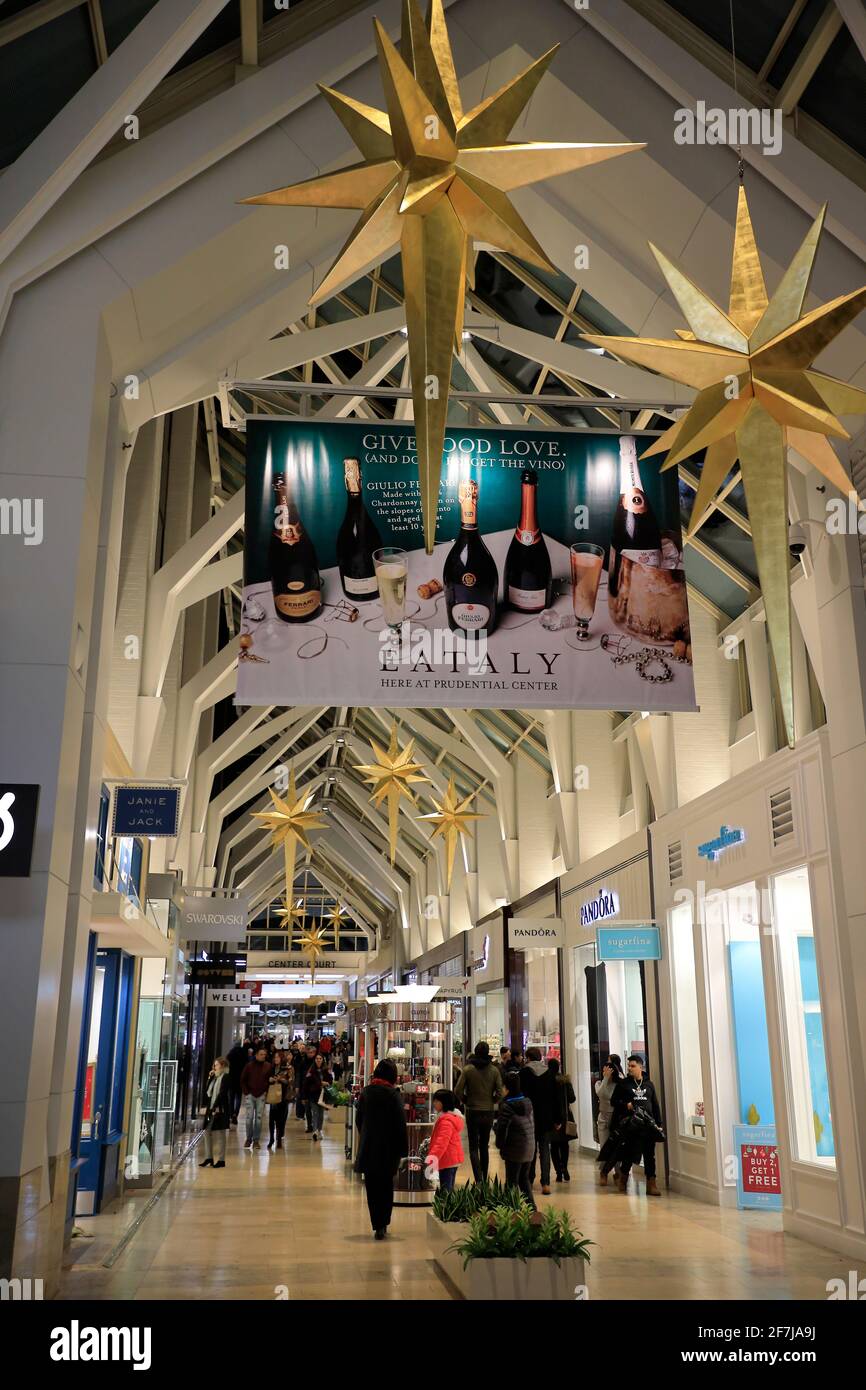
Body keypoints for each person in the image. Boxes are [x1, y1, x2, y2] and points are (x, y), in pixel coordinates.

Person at [354, 1059, 409, 1239]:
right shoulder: (393, 1095)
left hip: (369, 1146)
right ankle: (383, 1223)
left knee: (372, 1187)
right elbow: (400, 1124)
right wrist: (403, 1150)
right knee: (386, 1186)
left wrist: (366, 1134)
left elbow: (359, 1119)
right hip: (388, 1148)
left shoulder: (366, 1092)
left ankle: (376, 1222)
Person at [606, 1054, 664, 1196]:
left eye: (633, 1066)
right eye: (628, 1066)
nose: (630, 1069)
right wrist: (626, 1105)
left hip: (648, 1126)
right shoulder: (624, 1084)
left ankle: (651, 1184)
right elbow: (614, 1101)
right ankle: (623, 1180)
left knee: (650, 1156)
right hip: (631, 1125)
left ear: (640, 1067)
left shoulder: (649, 1084)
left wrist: (659, 1123)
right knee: (629, 1154)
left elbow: (655, 1105)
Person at [454, 1041, 504, 1183]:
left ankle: (478, 1179)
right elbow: (500, 1092)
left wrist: (465, 1100)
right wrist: (493, 1100)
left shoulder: (468, 1069)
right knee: (484, 1145)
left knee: (473, 1147)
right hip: (487, 1111)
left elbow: (458, 1090)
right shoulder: (494, 1070)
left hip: (472, 1110)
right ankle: (485, 1175)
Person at [494, 1073, 536, 1208]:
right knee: (524, 1180)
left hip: (515, 1149)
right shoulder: (527, 1102)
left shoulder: (507, 1106)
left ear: (506, 1088)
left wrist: (500, 1145)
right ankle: (532, 1208)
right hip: (529, 1146)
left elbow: (502, 1129)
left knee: (511, 1182)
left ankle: (510, 1211)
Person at [520, 1047, 552, 1193]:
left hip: (529, 1116)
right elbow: (555, 1097)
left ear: (528, 1058)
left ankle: (529, 1180)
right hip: (545, 1116)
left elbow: (521, 1095)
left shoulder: (524, 1073)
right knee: (545, 1149)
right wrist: (557, 1118)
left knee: (531, 1149)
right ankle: (546, 1183)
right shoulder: (549, 1073)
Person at [427, 1089, 464, 1191]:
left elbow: (441, 1143)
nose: (434, 1103)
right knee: (448, 1189)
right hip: (451, 1159)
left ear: (444, 1103)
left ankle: (446, 1207)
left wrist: (432, 1158)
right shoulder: (450, 1117)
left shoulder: (446, 1121)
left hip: (447, 1159)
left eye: (436, 1101)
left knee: (446, 1190)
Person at [547, 1058, 577, 1182]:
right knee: (564, 1145)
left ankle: (558, 1172)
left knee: (554, 1146)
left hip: (551, 1117)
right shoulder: (565, 1081)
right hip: (565, 1117)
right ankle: (564, 1167)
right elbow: (572, 1098)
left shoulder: (546, 1081)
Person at [595, 1055, 623, 1183]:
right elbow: (601, 1093)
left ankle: (618, 1173)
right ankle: (604, 1172)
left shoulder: (619, 1084)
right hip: (603, 1118)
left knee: (616, 1147)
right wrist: (605, 1078)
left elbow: (615, 1098)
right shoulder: (600, 1083)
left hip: (616, 1118)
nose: (605, 1073)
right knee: (604, 1146)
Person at [199, 1056, 231, 1168]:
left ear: (222, 1066)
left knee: (221, 1134)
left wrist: (215, 1106)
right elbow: (208, 1092)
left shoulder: (225, 1077)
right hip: (211, 1108)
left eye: (216, 1065)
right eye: (214, 1065)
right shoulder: (215, 1077)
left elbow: (222, 1093)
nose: (214, 1067)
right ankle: (209, 1158)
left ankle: (221, 1160)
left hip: (220, 1109)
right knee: (206, 1131)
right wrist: (209, 1077)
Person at [240, 1045, 272, 1150]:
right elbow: (243, 1079)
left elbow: (269, 1081)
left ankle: (256, 1140)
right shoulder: (249, 1066)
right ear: (256, 1055)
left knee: (258, 1119)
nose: (263, 1056)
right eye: (261, 1054)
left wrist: (266, 1091)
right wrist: (246, 1092)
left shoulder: (268, 1066)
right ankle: (248, 1138)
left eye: (264, 1055)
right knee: (249, 1118)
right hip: (250, 1095)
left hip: (261, 1095)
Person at [304, 1051, 333, 1141]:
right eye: (317, 1059)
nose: (318, 1060)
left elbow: (330, 1080)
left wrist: (327, 1083)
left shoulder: (326, 1070)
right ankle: (315, 1131)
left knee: (321, 1114)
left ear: (322, 1060)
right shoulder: (311, 1070)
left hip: (323, 1095)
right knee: (315, 1113)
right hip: (313, 1095)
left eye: (320, 1058)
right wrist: (320, 1083)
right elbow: (307, 1083)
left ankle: (319, 1130)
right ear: (315, 1060)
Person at [266, 1049, 291, 1150]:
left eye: (278, 1057)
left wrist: (280, 1079)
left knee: (281, 1119)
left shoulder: (286, 1068)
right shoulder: (271, 1068)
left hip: (283, 1096)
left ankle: (279, 1138)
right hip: (273, 1095)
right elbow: (266, 1079)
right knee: (272, 1119)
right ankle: (271, 1138)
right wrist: (270, 1080)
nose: (276, 1059)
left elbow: (289, 1081)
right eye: (275, 1057)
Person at [225, 1037, 250, 1126]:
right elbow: (247, 1065)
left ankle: (231, 1114)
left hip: (232, 1078)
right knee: (238, 1097)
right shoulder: (243, 1053)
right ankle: (236, 1113)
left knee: (231, 1097)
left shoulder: (230, 1054)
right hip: (240, 1078)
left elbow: (226, 1066)